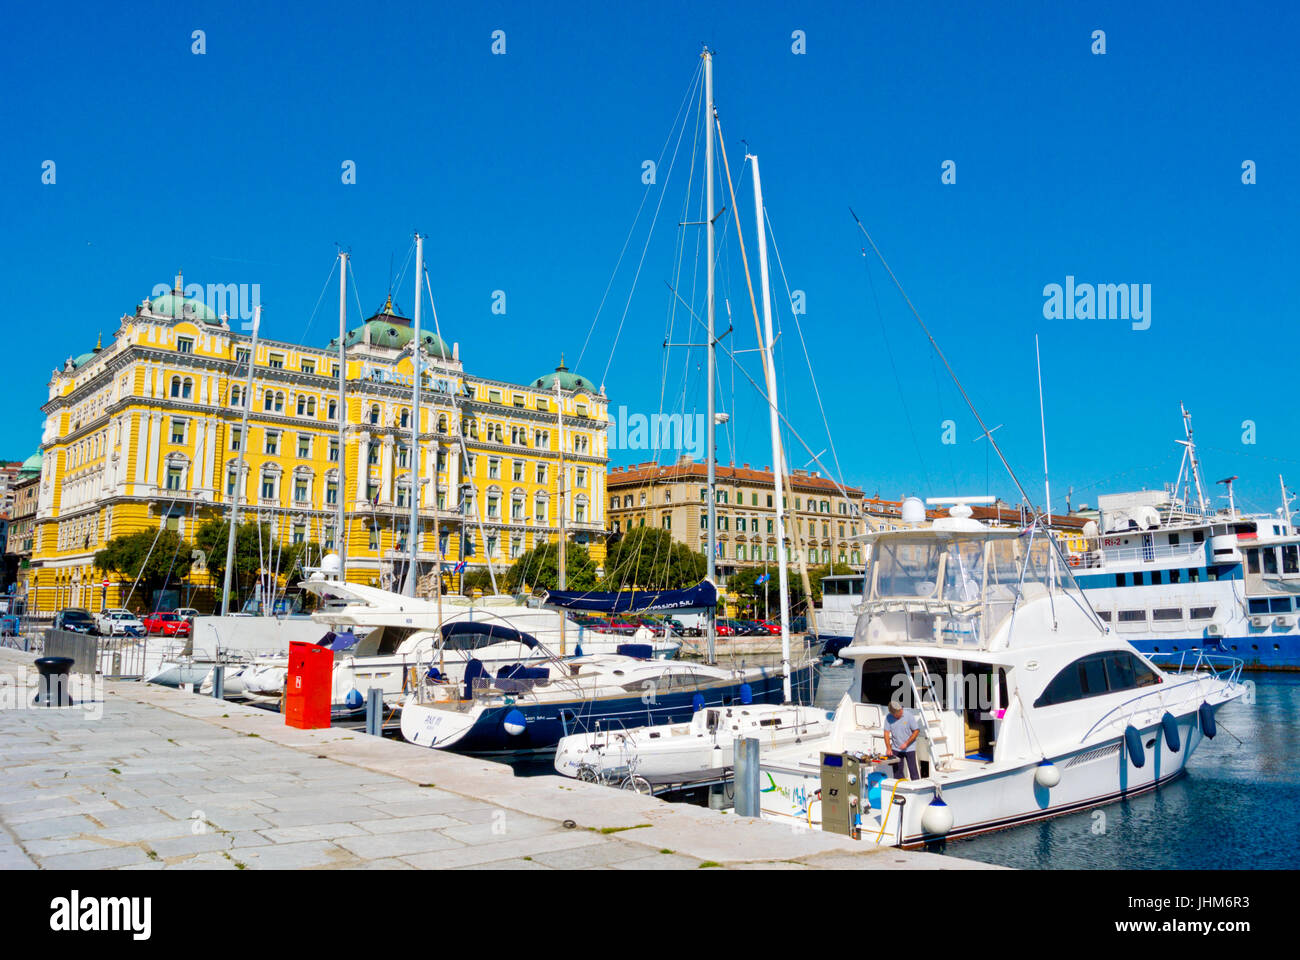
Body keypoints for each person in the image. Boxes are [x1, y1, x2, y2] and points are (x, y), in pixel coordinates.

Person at [883, 701, 921, 780]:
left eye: (899, 713)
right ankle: (899, 789)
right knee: (897, 773)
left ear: (900, 710)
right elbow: (886, 733)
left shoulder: (908, 715)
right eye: (896, 715)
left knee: (913, 771)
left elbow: (916, 731)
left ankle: (917, 788)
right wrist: (888, 748)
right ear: (892, 713)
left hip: (909, 748)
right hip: (896, 748)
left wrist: (906, 743)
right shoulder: (888, 717)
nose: (898, 715)